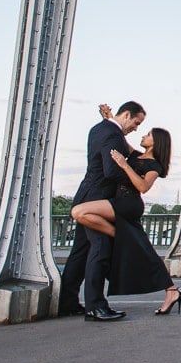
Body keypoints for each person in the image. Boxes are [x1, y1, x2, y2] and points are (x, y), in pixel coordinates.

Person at [70, 106, 181, 316]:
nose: (142, 133)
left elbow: (142, 187)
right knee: (145, 251)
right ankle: (172, 290)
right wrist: (110, 118)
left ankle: (118, 235)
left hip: (128, 204)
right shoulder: (137, 155)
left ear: (156, 142)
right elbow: (120, 138)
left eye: (147, 133)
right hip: (118, 201)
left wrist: (124, 165)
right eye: (139, 126)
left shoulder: (154, 165)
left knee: (79, 212)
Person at [59, 101, 146, 321]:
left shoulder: (99, 129)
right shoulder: (113, 135)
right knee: (100, 250)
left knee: (80, 252)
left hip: (85, 195)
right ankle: (95, 306)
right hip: (97, 200)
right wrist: (134, 183)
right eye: (136, 122)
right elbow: (111, 171)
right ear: (126, 114)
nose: (136, 128)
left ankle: (67, 302)